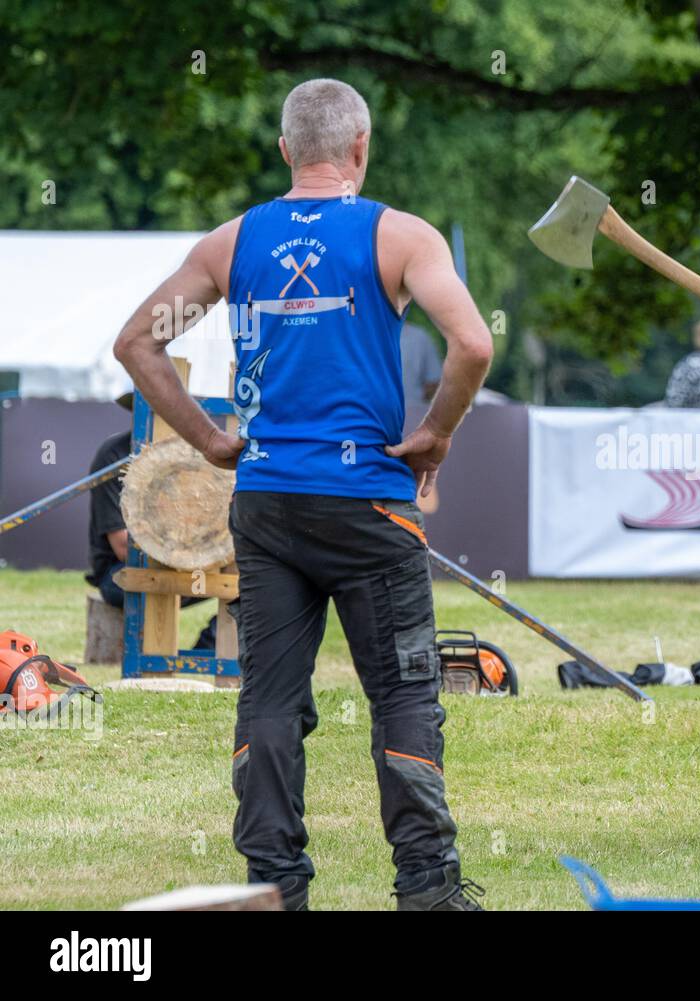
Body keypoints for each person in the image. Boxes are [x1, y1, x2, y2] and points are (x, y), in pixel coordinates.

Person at [114, 78, 494, 910]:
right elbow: (471, 341)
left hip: (269, 500)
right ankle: (428, 890)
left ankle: (272, 889)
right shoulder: (399, 235)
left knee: (271, 700)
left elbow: (138, 344)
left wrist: (212, 441)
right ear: (362, 147)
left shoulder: (231, 242)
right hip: (368, 503)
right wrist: (438, 431)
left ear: (287, 151)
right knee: (401, 694)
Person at [85, 402, 215, 649]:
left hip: (191, 565)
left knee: (252, 581)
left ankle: (207, 651)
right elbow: (124, 547)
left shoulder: (193, 455)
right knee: (135, 577)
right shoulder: (114, 454)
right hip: (121, 570)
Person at [401, 319, 443, 413]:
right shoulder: (419, 336)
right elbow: (434, 383)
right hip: (412, 412)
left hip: (412, 412)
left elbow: (434, 383)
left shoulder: (420, 337)